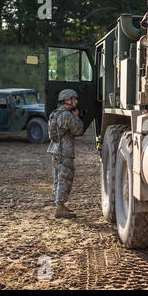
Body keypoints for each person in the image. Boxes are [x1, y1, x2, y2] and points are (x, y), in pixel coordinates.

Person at [47, 89, 84, 219]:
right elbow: (78, 130)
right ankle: (60, 207)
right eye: (74, 99)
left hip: (55, 149)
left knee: (57, 177)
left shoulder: (54, 114)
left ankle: (60, 205)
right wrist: (77, 117)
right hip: (65, 151)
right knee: (65, 178)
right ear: (67, 100)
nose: (76, 101)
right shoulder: (68, 115)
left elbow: (51, 134)